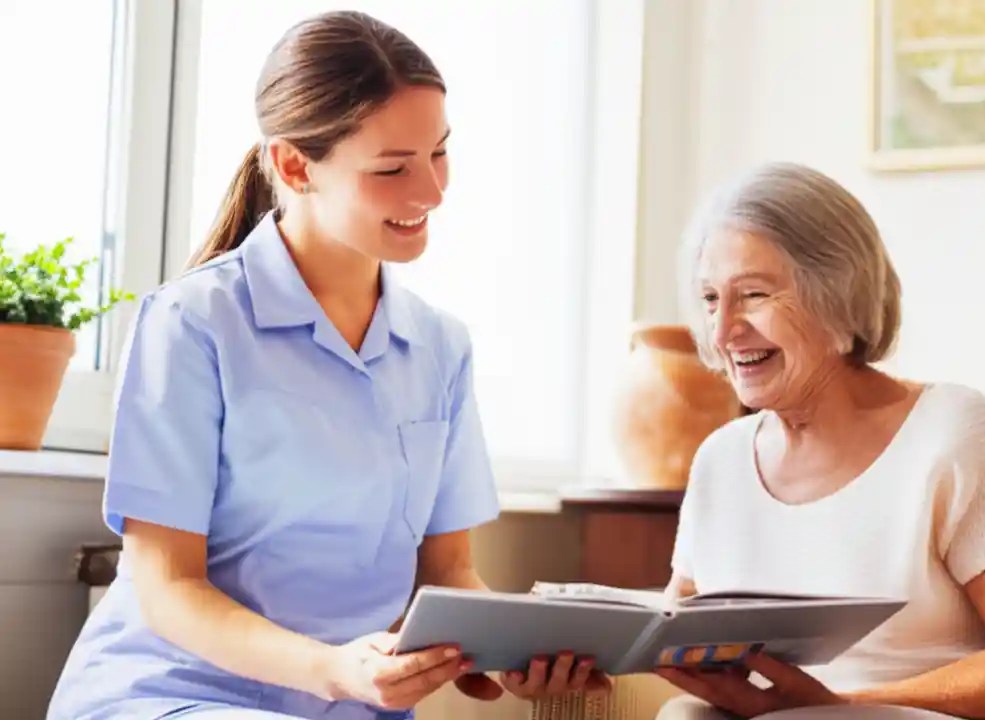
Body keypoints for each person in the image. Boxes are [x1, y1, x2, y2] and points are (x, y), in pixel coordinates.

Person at [48, 11, 606, 719]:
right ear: (292, 165)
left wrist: (512, 659)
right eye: (391, 168)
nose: (431, 191)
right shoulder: (193, 324)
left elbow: (448, 573)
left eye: (439, 153)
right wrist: (333, 671)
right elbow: (167, 588)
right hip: (170, 697)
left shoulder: (440, 347)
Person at [652, 162, 985, 720]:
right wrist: (577, 652)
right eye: (708, 300)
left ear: (837, 295)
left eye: (753, 295)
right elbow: (675, 635)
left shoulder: (951, 429)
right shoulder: (721, 460)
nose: (723, 331)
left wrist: (839, 705)